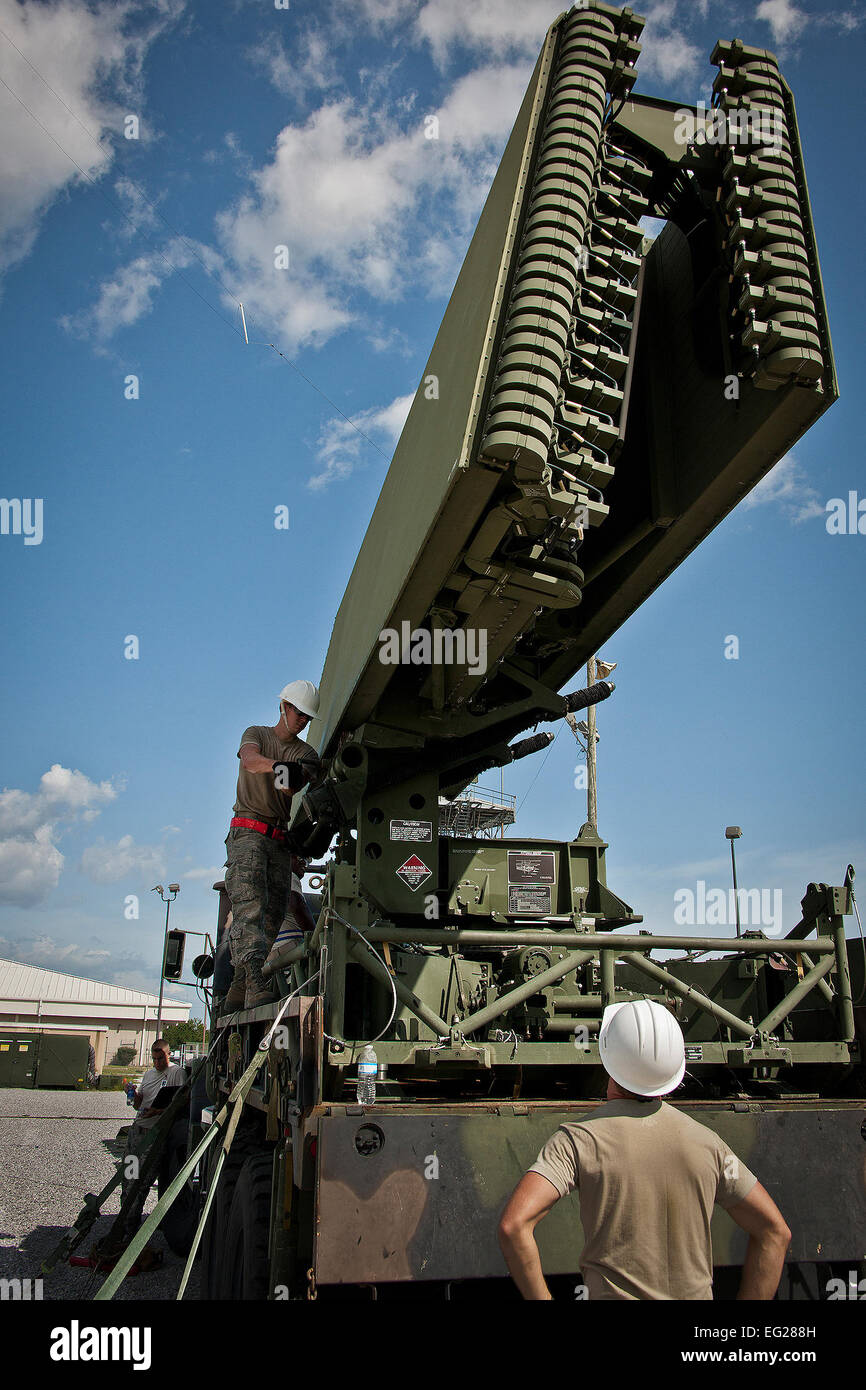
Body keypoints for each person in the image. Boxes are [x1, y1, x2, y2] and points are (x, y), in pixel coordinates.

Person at [498, 999, 792, 1300]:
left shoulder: (578, 1140)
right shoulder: (709, 1144)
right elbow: (775, 1232)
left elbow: (514, 1225)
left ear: (607, 1057)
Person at [222, 680, 321, 1013]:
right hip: (247, 832)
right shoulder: (256, 734)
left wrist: (284, 772)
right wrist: (278, 767)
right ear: (284, 706)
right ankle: (255, 982)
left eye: (307, 717)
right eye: (298, 712)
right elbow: (249, 759)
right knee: (249, 907)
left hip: (277, 839)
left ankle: (240, 986)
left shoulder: (305, 754)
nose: (302, 721)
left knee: (273, 915)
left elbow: (291, 787)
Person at [121, 1039, 187, 1218]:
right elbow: (138, 1104)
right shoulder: (150, 1075)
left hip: (154, 1135)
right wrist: (133, 1094)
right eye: (154, 1059)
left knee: (140, 1183)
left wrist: (158, 1111)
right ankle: (124, 1221)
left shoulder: (176, 1073)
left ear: (168, 1055)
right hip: (138, 1132)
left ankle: (130, 1228)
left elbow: (180, 1104)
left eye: (161, 1059)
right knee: (128, 1177)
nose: (157, 1063)